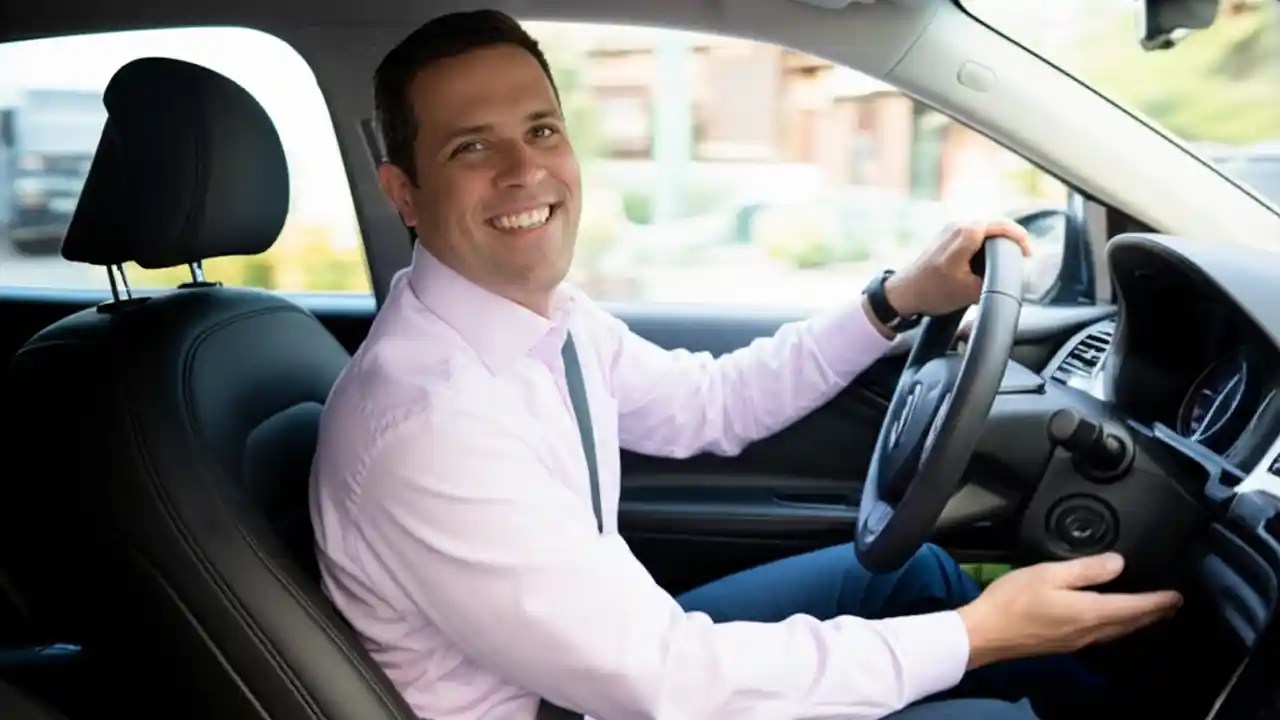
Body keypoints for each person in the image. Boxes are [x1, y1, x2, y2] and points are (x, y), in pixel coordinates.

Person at [308, 9, 1183, 720]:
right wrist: (979, 636)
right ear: (403, 193)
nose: (525, 170)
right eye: (473, 147)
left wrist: (892, 301)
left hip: (596, 663)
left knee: (915, 579)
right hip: (569, 702)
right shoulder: (428, 424)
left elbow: (710, 405)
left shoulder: (544, 323)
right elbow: (667, 685)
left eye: (541, 129)